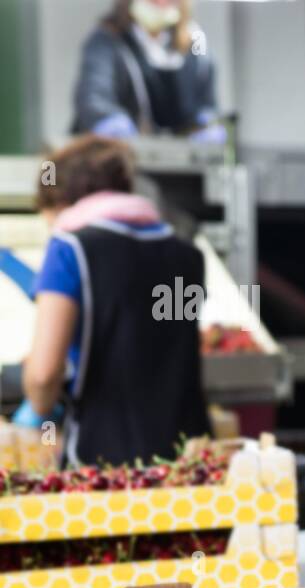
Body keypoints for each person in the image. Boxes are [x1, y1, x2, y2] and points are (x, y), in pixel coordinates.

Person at [25, 135, 210, 466]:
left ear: (61, 201)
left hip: (103, 464)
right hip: (186, 461)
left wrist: (38, 411)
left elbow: (43, 374)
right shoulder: (188, 255)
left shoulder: (69, 248)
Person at [71, 0, 225, 143]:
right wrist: (108, 120)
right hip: (118, 156)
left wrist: (209, 125)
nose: (161, 3)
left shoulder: (195, 48)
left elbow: (206, 104)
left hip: (180, 162)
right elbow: (93, 96)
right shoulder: (107, 41)